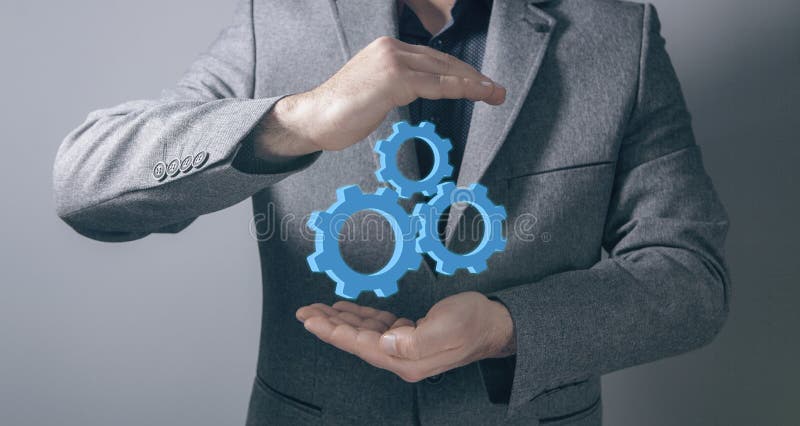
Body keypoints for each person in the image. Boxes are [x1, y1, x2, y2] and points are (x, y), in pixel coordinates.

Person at [53, 0, 730, 424]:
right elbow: (84, 186)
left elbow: (689, 279)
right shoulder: (281, 20)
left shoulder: (616, 31)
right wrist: (299, 120)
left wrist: (505, 328)